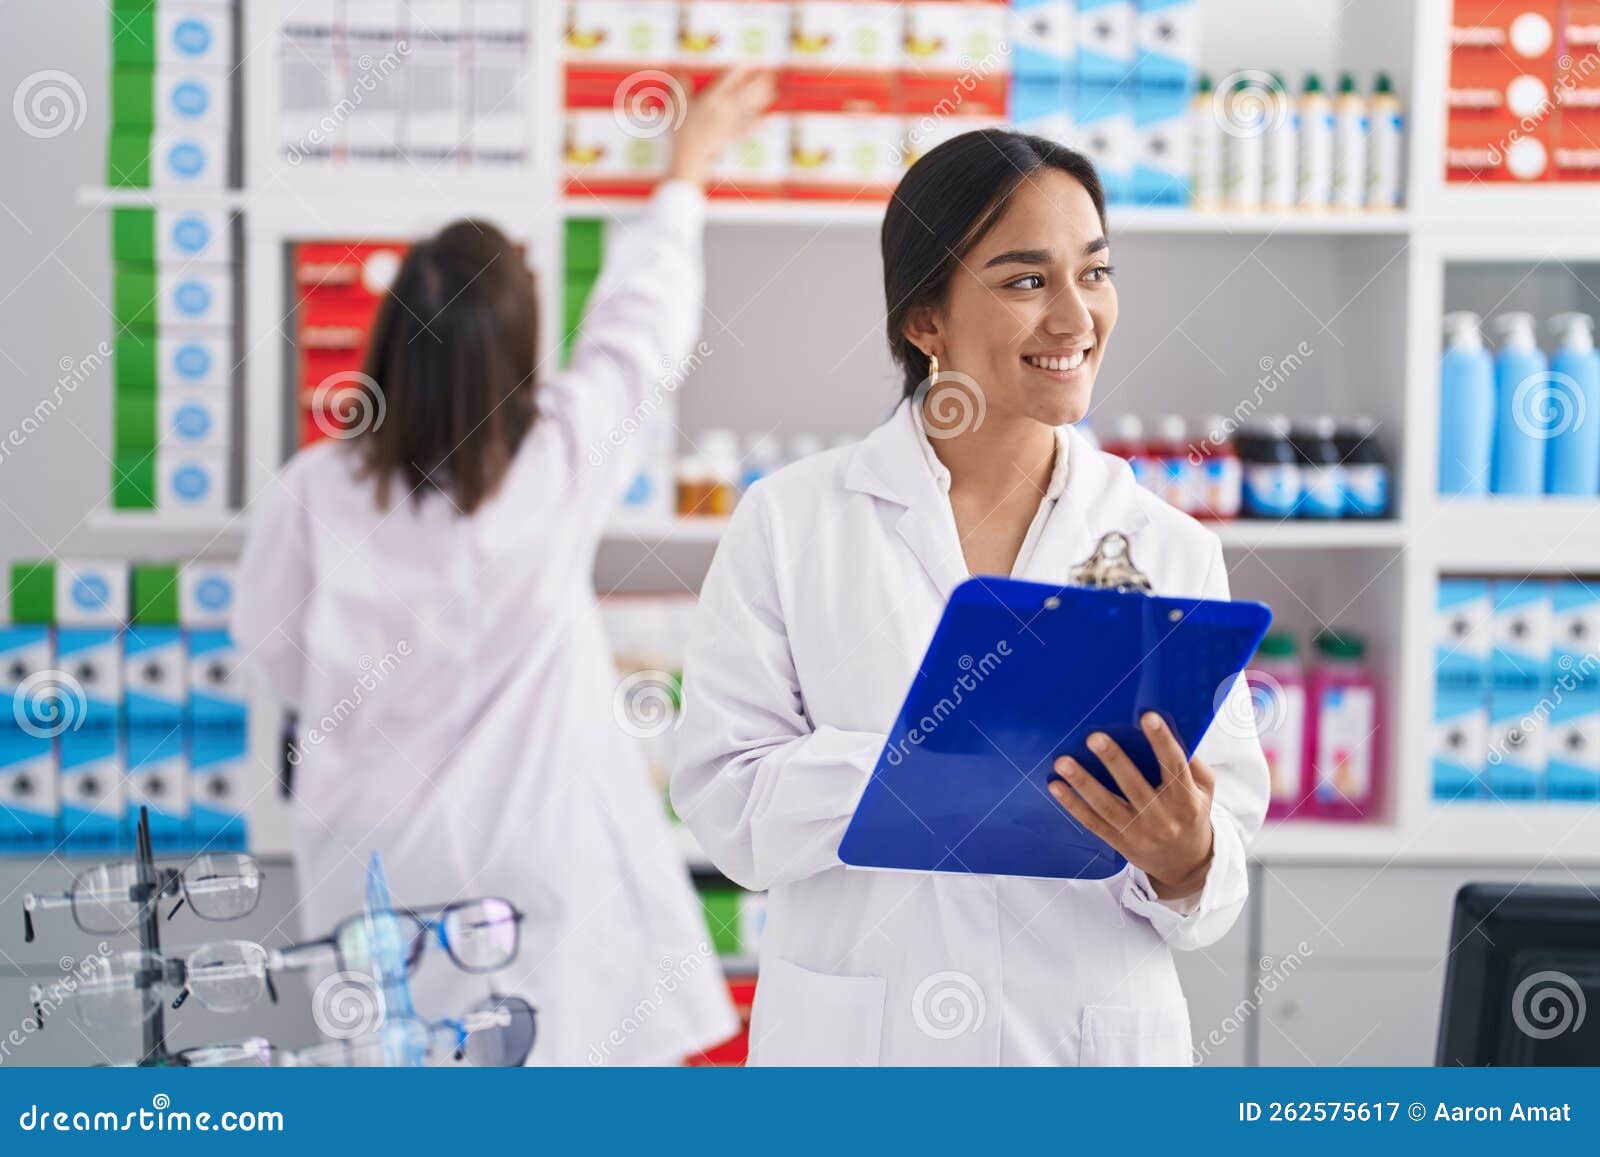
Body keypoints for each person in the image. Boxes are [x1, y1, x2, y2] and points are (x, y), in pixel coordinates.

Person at [671, 129, 1271, 1066]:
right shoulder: (792, 523)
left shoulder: (1170, 549)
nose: (1075, 317)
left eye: (1095, 272)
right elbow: (727, 806)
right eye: (1027, 280)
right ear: (926, 320)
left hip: (1079, 1054)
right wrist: (933, 770)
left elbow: (1216, 879)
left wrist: (1184, 855)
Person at [233, 70, 776, 1064]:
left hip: (378, 859)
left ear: (389, 342)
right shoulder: (558, 454)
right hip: (534, 847)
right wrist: (685, 168)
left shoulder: (315, 487)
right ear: (520, 349)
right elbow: (641, 325)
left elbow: (272, 655)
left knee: (402, 1083)